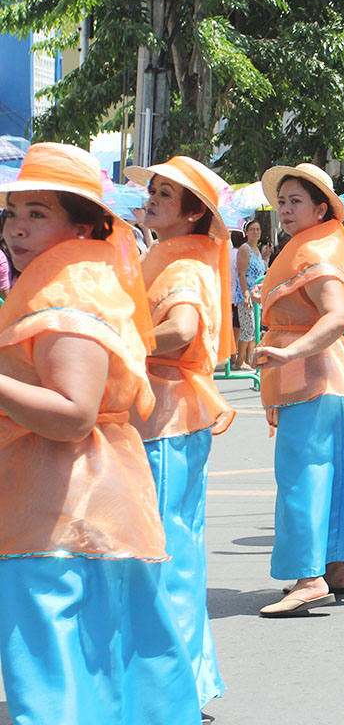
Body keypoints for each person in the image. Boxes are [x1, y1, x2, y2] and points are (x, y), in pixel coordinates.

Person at [0, 143, 200, 723]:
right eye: (12, 212)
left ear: (82, 226)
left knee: (58, 682)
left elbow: (73, 413)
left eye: (37, 213)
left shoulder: (68, 293)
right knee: (108, 673)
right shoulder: (70, 280)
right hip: (79, 505)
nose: (16, 227)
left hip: (59, 511)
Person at [126, 155, 238, 710]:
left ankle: (178, 687)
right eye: (153, 189)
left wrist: (121, 341)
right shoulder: (170, 254)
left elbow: (182, 329)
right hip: (163, 418)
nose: (152, 198)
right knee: (172, 548)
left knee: (165, 551)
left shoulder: (185, 264)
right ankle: (185, 681)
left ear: (194, 213)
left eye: (165, 194)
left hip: (168, 419)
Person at [254, 163, 344, 618]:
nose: (285, 209)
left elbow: (337, 316)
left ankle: (309, 579)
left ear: (320, 208)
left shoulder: (314, 251)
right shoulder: (319, 243)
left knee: (302, 477)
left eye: (296, 201)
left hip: (311, 376)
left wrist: (290, 351)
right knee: (332, 474)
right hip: (328, 375)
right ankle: (333, 568)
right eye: (282, 202)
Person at [234, 218, 267, 368]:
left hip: (257, 296)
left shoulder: (257, 251)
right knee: (247, 329)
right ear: (246, 232)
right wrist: (246, 293)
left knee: (254, 330)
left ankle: (249, 359)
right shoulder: (244, 249)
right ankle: (239, 361)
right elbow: (241, 273)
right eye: (252, 229)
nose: (255, 232)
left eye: (258, 229)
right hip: (245, 295)